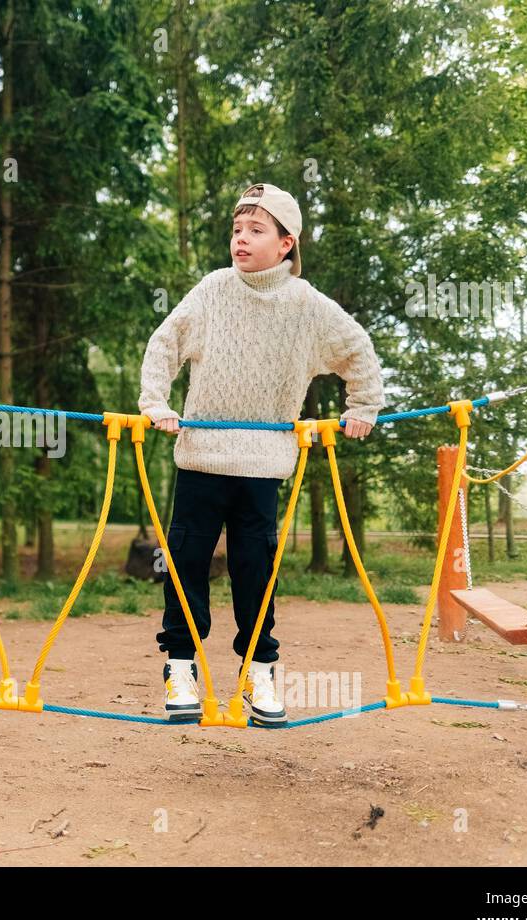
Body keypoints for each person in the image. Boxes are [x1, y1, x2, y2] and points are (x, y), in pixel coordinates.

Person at [138, 183, 384, 725]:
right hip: (201, 455)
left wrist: (363, 404)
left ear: (286, 243)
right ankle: (181, 665)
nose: (240, 240)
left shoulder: (307, 306)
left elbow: (356, 349)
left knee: (256, 569)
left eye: (255, 230)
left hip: (263, 464)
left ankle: (259, 668)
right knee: (185, 563)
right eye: (236, 229)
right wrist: (154, 402)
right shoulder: (212, 290)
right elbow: (165, 342)